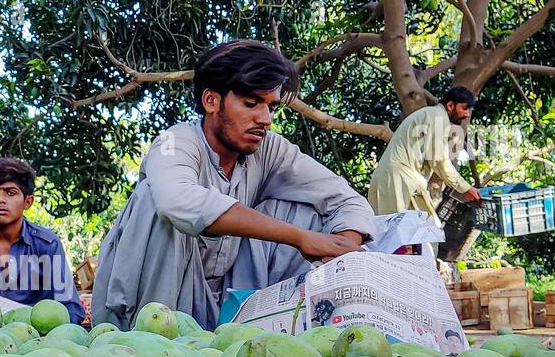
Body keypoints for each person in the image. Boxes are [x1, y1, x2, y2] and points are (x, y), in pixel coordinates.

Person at [92, 40, 376, 331]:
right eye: (251, 103)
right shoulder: (174, 142)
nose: (265, 119)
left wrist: (342, 247)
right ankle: (151, 341)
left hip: (222, 304)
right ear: (211, 101)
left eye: (271, 107)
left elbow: (346, 200)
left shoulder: (271, 150)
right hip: (149, 313)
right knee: (156, 203)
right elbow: (176, 200)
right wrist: (300, 238)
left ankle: (279, 334)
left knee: (305, 210)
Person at [0, 158, 86, 324]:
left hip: (36, 338)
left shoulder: (47, 244)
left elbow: (70, 306)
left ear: (27, 202)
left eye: (10, 193)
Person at [368, 86, 483, 217]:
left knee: (396, 233)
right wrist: (466, 188)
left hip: (390, 179)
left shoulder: (430, 114)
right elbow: (440, 161)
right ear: (450, 105)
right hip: (399, 181)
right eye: (465, 108)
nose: (467, 114)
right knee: (423, 232)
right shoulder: (438, 118)